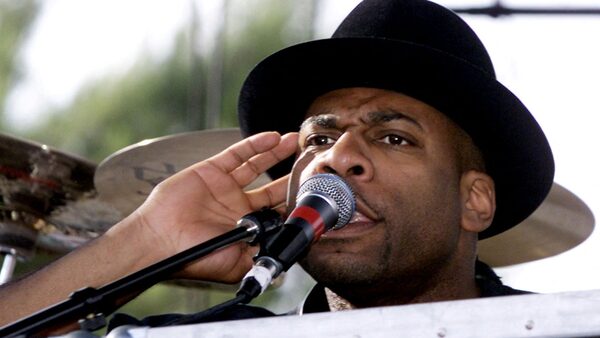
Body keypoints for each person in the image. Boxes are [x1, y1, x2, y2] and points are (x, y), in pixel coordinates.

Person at [0, 0, 554, 334]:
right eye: (320, 137)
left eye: (393, 137)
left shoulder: (566, 329)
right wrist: (147, 239)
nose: (336, 159)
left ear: (474, 200)